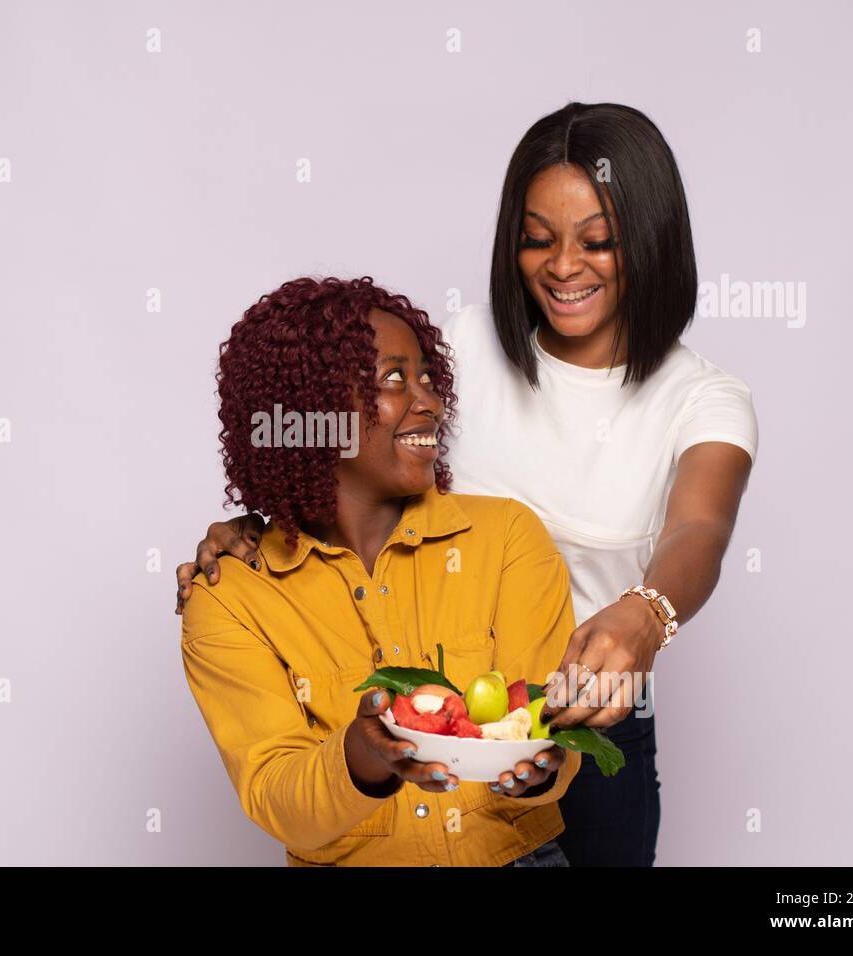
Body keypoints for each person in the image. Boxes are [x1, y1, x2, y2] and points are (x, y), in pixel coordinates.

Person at [176, 103, 757, 867]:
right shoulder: (458, 351)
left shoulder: (703, 397)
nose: (562, 266)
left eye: (598, 241)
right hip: (453, 703)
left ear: (650, 241)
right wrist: (264, 521)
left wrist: (646, 615)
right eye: (537, 240)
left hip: (597, 707)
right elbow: (344, 426)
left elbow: (698, 533)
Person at [180, 275, 583, 866]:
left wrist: (540, 770)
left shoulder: (505, 539)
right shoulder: (229, 596)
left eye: (427, 376)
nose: (429, 400)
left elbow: (544, 716)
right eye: (394, 379)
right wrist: (361, 757)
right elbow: (273, 794)